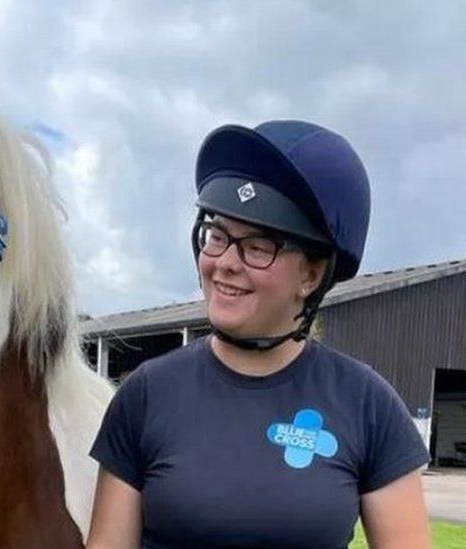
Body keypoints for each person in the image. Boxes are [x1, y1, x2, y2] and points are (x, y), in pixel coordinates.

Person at [86, 121, 431, 549]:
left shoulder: (368, 405)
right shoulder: (145, 395)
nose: (225, 262)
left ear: (311, 273)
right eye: (217, 236)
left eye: (258, 246)